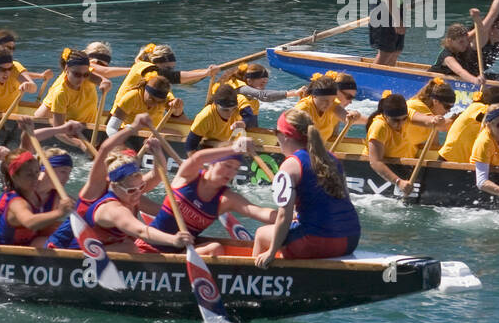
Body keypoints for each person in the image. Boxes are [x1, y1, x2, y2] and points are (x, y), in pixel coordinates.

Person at [45, 118, 194, 253]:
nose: (138, 192)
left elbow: (157, 175)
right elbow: (104, 149)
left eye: (141, 188)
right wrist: (134, 127)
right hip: (67, 250)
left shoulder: (131, 189)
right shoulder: (99, 195)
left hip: (99, 247)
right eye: (132, 190)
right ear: (113, 183)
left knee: (130, 242)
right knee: (129, 246)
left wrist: (157, 151)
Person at [254, 108, 361, 264]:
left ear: (284, 136)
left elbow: (284, 216)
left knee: (261, 234)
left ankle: (256, 277)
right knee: (292, 231)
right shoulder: (331, 158)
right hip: (351, 239)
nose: (276, 139)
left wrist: (271, 252)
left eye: (276, 133)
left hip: (317, 241)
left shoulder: (289, 166)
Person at [145, 139, 276, 257]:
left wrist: (288, 215)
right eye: (227, 165)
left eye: (235, 169)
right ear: (212, 164)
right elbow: (197, 158)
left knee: (215, 248)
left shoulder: (226, 199)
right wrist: (235, 148)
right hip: (148, 246)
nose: (230, 173)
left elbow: (259, 212)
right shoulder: (188, 176)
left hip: (181, 255)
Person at [0, 149, 74, 247]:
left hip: (22, 246)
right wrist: (59, 212)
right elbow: (30, 222)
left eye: (36, 172)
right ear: (15, 178)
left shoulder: (38, 196)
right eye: (29, 175)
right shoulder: (16, 201)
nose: (36, 178)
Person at [35, 48, 106, 127]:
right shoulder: (61, 92)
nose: (82, 79)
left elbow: (103, 80)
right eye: (77, 74)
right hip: (45, 122)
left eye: (86, 75)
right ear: (66, 69)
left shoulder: (85, 74)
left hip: (87, 127)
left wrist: (105, 83)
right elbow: (59, 129)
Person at [439, 84, 499, 163]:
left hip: (462, 162)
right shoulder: (477, 107)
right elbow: (493, 118)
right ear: (494, 104)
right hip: (449, 160)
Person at [365, 92, 418, 194]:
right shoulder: (379, 127)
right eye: (396, 120)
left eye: (404, 119)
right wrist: (398, 182)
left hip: (401, 165)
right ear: (385, 115)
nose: (401, 123)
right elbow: (375, 162)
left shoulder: (403, 119)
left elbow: (426, 121)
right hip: (378, 170)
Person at [187, 84, 246, 152]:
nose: (230, 113)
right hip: (211, 149)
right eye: (225, 110)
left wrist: (244, 123)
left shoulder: (238, 109)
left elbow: (249, 117)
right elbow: (190, 146)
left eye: (233, 109)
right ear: (215, 104)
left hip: (231, 147)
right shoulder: (205, 116)